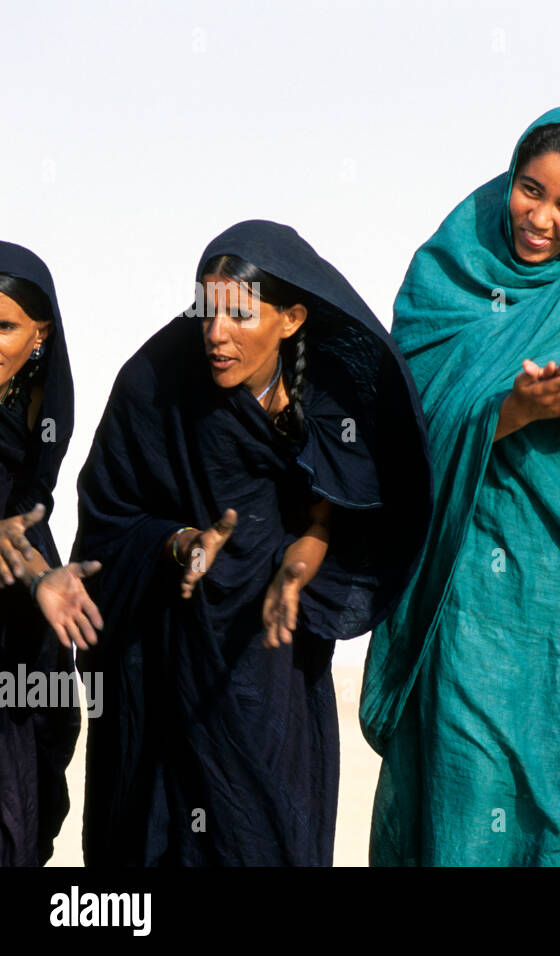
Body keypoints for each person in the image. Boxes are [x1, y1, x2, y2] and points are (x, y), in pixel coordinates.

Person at [361, 105, 560, 866]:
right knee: (465, 796)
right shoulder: (446, 273)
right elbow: (409, 422)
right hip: (469, 594)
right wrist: (512, 411)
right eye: (530, 190)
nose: (541, 217)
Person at [73, 220, 431, 865]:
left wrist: (295, 571)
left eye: (239, 315)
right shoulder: (153, 385)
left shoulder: (324, 402)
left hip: (272, 658)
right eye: (206, 312)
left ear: (291, 319)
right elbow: (107, 516)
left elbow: (329, 518)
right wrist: (182, 544)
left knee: (266, 829)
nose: (216, 335)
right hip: (163, 661)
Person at [0, 241, 101, 866]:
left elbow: (21, 530)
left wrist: (39, 580)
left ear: (40, 336)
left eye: (4, 326)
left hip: (21, 645)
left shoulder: (36, 430)